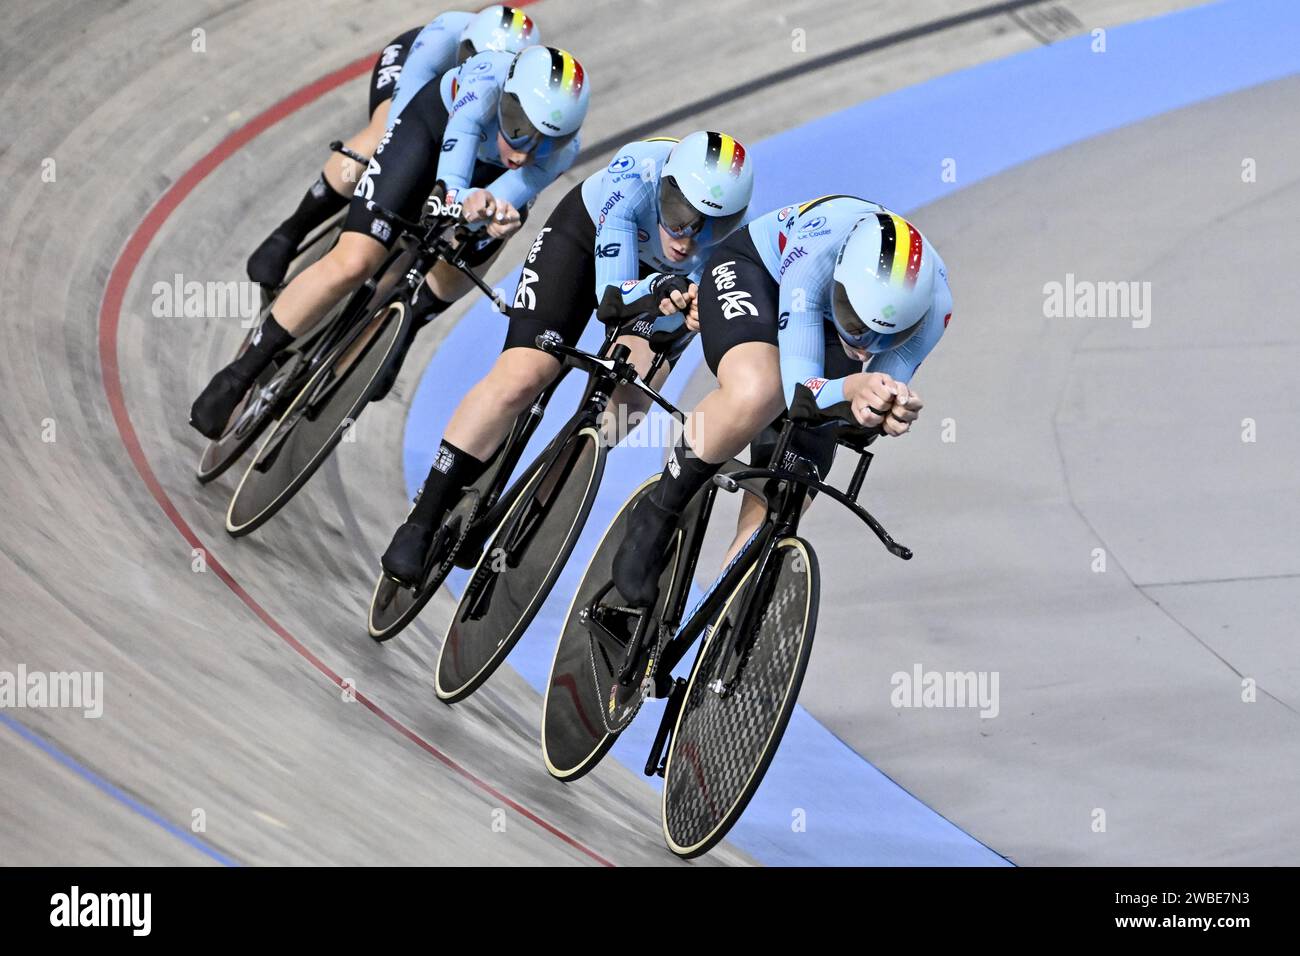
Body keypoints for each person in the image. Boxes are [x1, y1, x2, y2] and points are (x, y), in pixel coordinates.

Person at [379, 131, 756, 584]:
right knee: (525, 373)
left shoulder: (725, 248)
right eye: (679, 216)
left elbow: (679, 329)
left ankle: (531, 510)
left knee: (625, 409)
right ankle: (423, 516)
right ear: (664, 189)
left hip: (661, 290)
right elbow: (611, 299)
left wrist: (690, 318)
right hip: (586, 243)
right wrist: (661, 288)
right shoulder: (634, 180)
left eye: (710, 225)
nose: (688, 238)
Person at [190, 44, 589, 440]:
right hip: (432, 134)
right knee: (354, 262)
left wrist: (492, 215)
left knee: (488, 236)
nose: (525, 154)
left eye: (547, 142)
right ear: (506, 98)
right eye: (520, 130)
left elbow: (509, 191)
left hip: (484, 175)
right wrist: (454, 196)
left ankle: (410, 321)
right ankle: (239, 374)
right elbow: (456, 155)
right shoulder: (486, 80)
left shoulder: (563, 151)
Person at [610, 195, 953, 606]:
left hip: (826, 327)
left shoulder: (934, 312)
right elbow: (799, 391)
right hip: (761, 275)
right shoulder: (818, 255)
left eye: (886, 338)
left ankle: (721, 624)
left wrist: (883, 412)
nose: (866, 346)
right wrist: (848, 390)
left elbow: (857, 414)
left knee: (793, 483)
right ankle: (657, 512)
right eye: (857, 323)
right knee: (760, 390)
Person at [246, 5, 540, 288]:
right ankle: (291, 230)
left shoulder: (509, 93)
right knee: (381, 137)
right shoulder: (446, 34)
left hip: (472, 117)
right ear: (464, 44)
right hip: (418, 77)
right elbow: (400, 126)